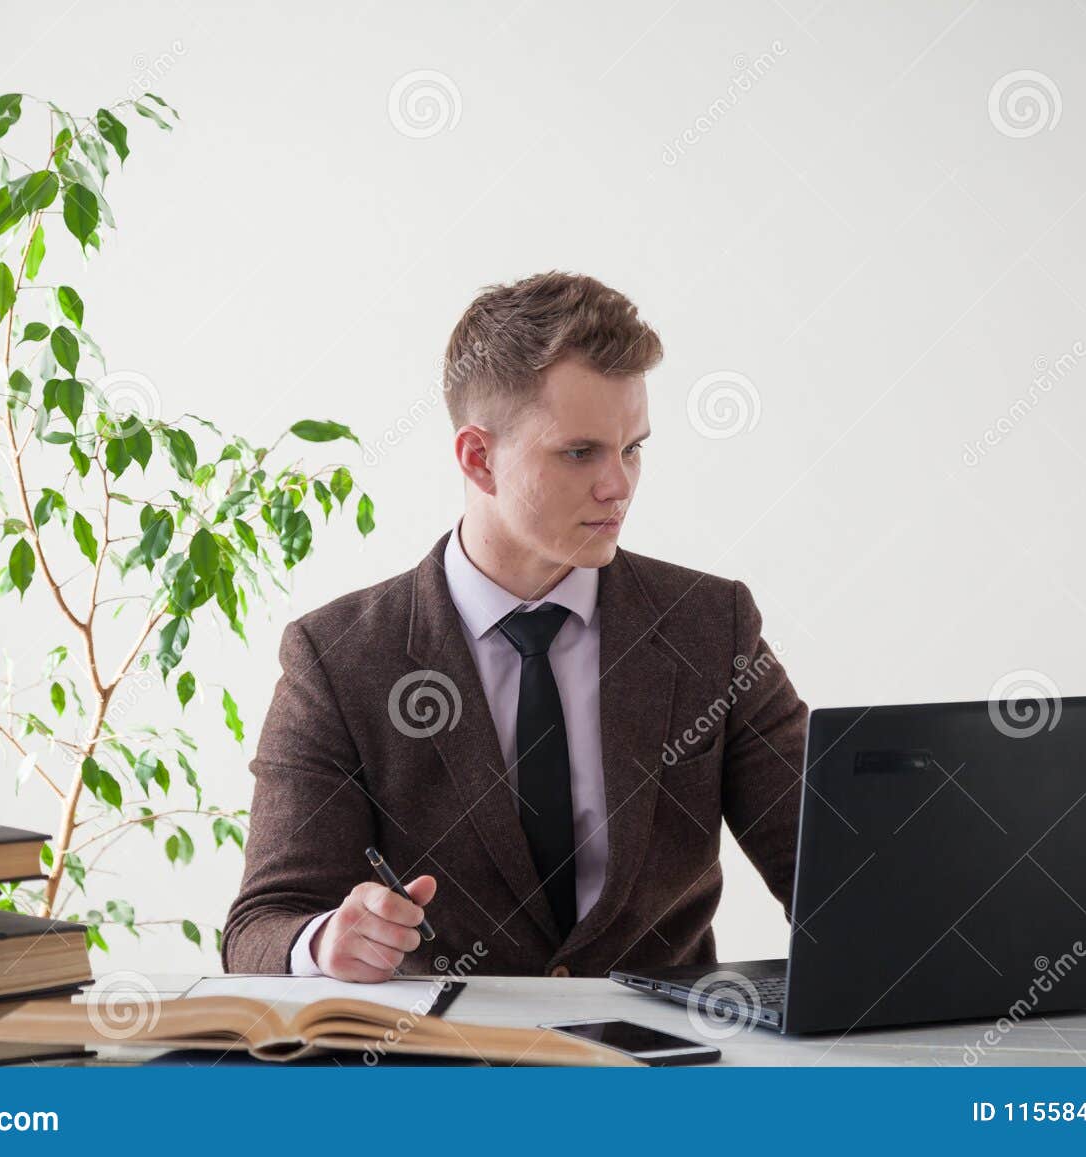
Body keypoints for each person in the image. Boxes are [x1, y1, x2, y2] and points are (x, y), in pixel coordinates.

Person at [222, 271, 807, 980]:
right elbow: (261, 926)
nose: (618, 484)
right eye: (580, 451)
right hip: (448, 1076)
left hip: (662, 1074)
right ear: (477, 457)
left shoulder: (713, 627)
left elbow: (830, 865)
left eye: (633, 448)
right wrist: (325, 941)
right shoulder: (340, 657)